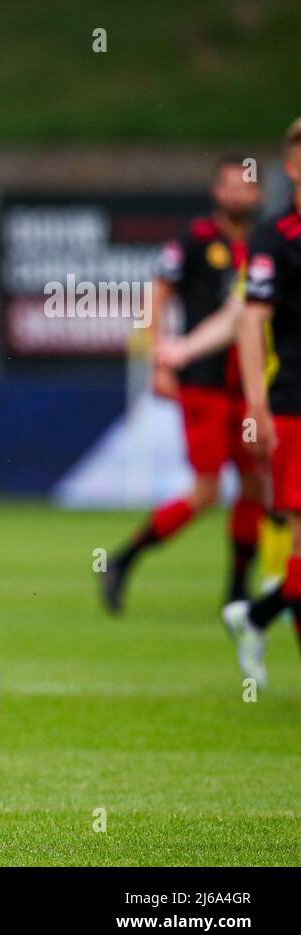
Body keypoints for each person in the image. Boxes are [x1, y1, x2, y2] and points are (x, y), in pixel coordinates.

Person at [157, 117, 301, 686]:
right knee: (235, 500)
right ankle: (258, 612)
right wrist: (180, 350)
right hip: (288, 403)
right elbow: (240, 316)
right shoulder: (271, 240)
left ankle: (255, 613)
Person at [100, 158, 266, 615]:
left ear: (259, 195)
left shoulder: (264, 243)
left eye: (245, 187)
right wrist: (161, 359)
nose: (237, 195)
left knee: (255, 485)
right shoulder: (193, 240)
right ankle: (125, 558)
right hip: (204, 383)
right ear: (216, 191)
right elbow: (158, 292)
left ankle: (237, 588)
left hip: (250, 383)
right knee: (207, 491)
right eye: (229, 186)